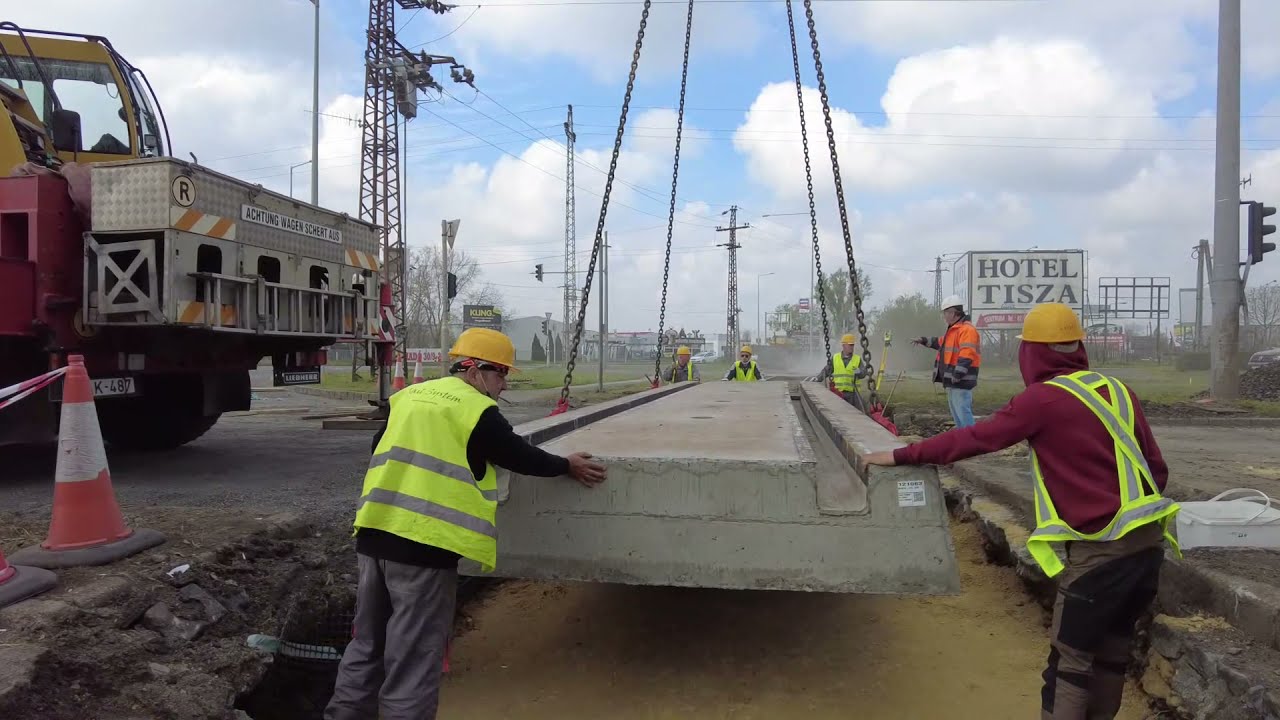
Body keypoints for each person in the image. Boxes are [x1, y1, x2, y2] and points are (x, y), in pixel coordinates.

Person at [865, 302, 1180, 720]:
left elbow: (974, 439)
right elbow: (1156, 470)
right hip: (1148, 549)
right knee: (1110, 657)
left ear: (1031, 352)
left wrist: (902, 454)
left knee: (1069, 667)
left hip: (1100, 556)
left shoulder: (1042, 401)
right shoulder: (1119, 390)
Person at [325, 327, 608, 720]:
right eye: (501, 373)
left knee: (366, 643)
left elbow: (380, 449)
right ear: (476, 370)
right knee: (414, 654)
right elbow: (520, 456)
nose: (504, 384)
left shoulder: (408, 398)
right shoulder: (476, 411)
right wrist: (567, 465)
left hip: (373, 538)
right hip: (424, 548)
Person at [912, 295, 981, 428]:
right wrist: (924, 340)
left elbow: (967, 354)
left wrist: (957, 375)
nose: (944, 317)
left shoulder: (967, 330)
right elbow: (940, 343)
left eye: (945, 313)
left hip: (960, 381)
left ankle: (972, 443)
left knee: (963, 414)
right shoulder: (954, 330)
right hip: (953, 381)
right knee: (958, 416)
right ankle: (964, 443)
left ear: (953, 313)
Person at [816, 333, 868, 411]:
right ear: (844, 345)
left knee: (854, 413)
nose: (852, 347)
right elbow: (827, 370)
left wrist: (860, 372)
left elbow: (863, 373)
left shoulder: (857, 359)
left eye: (853, 345)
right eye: (850, 345)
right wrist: (817, 379)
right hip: (838, 393)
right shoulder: (835, 358)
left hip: (852, 394)